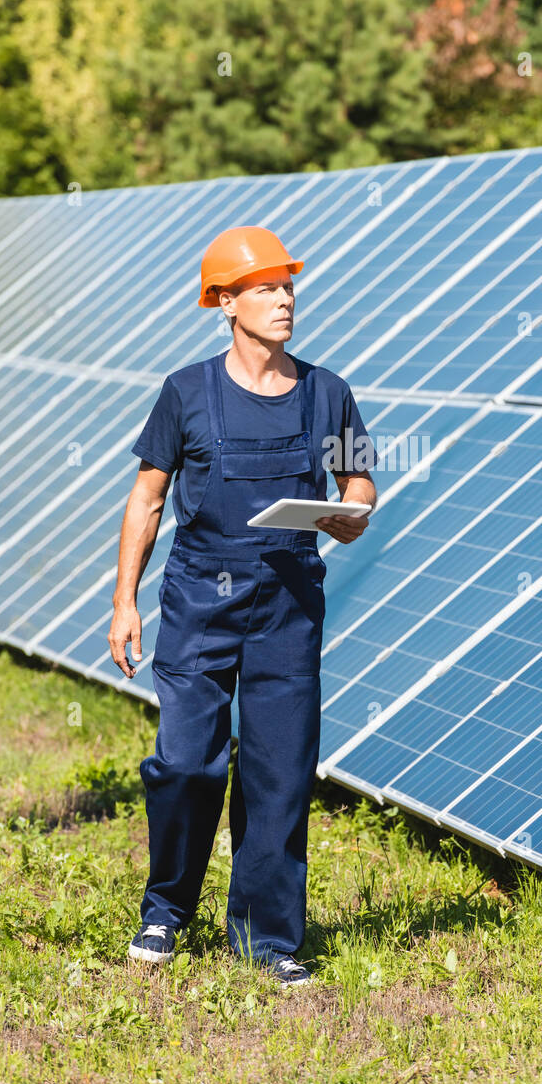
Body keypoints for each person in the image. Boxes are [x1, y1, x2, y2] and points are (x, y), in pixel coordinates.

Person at [108, 226, 378, 987]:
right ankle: (166, 908)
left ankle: (266, 941)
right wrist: (124, 601)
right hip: (199, 598)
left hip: (290, 603)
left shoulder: (329, 392)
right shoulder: (186, 391)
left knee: (278, 773)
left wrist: (348, 512)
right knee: (187, 763)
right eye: (265, 287)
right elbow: (147, 497)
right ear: (225, 303)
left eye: (287, 285)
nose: (285, 298)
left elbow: (358, 485)